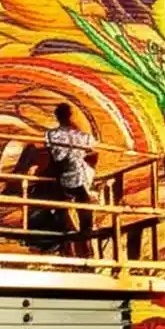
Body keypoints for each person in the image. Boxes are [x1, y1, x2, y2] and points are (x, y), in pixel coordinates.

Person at [44, 104, 97, 255]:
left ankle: (71, 247)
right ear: (70, 115)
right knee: (84, 211)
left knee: (63, 210)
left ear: (57, 117)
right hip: (80, 177)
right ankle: (85, 245)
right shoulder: (84, 137)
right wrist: (90, 171)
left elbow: (53, 158)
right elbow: (94, 154)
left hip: (62, 177)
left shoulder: (51, 134)